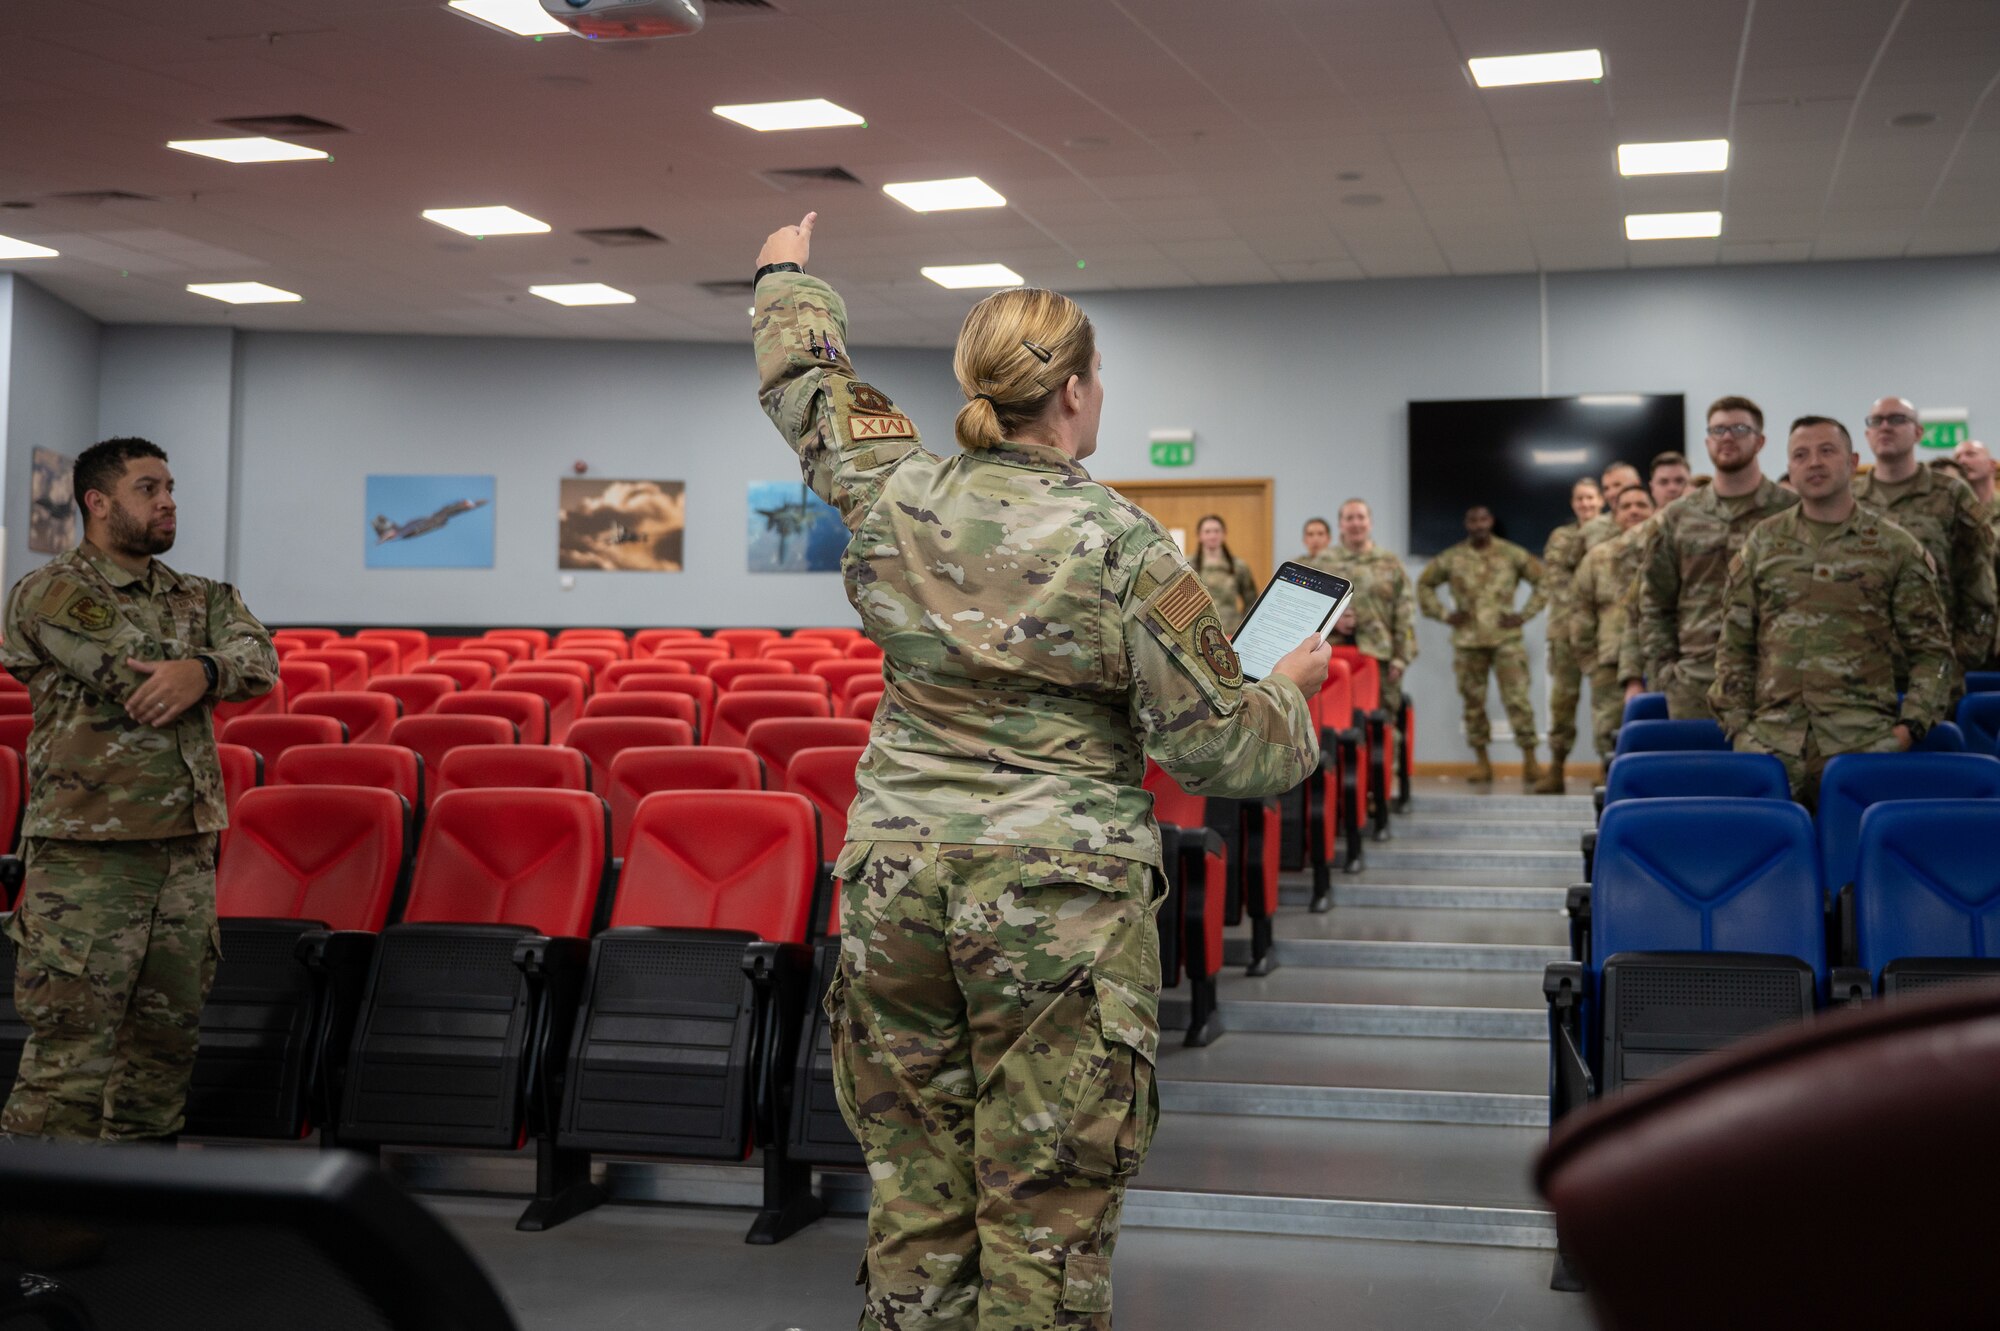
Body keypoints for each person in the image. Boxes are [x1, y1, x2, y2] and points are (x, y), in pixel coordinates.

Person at [750, 212, 1326, 1331]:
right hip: (1053, 903)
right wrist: (1288, 687)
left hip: (896, 888)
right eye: (1096, 375)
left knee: (915, 1197)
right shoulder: (1123, 544)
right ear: (1070, 392)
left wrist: (784, 276)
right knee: (1044, 1213)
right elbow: (1216, 746)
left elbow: (807, 389)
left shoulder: (894, 488)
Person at [0, 437, 277, 1143]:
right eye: (148, 488)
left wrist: (204, 674)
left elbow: (261, 660)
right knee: (72, 1049)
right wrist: (202, 668)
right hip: (88, 855)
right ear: (97, 503)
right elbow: (135, 673)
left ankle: (137, 1204)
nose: (168, 501)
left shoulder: (199, 593)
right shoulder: (52, 590)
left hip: (182, 848)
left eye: (170, 487)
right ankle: (39, 1220)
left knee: (164, 1045)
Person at [1712, 417, 1952, 807]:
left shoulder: (1894, 547)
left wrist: (1907, 730)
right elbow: (1734, 643)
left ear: (1853, 460)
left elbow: (1932, 652)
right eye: (1801, 455)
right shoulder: (1763, 542)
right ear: (1790, 467)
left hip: (1862, 745)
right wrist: (1739, 730)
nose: (1814, 463)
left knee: (1857, 866)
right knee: (1775, 865)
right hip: (1771, 747)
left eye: (1827, 451)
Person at [1637, 395, 1799, 721]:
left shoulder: (1792, 511)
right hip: (1696, 680)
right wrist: (1665, 673)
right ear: (1708, 441)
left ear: (1760, 441)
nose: (1727, 437)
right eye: (1718, 429)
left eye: (1739, 428)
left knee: (1778, 772)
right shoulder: (1678, 517)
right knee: (1700, 772)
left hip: (1779, 677)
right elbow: (1655, 601)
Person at [1853, 397, 1996, 680]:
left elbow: (1979, 586)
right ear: (1867, 434)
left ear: (1918, 432)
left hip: (1935, 669)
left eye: (1896, 419)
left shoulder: (1951, 493)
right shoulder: (1850, 499)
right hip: (1861, 673)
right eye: (1876, 421)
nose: (1885, 426)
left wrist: (1959, 661)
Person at [1417, 506, 1546, 786]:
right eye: (1473, 520)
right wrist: (1445, 614)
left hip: (1506, 641)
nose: (1478, 524)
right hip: (1468, 642)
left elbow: (1543, 582)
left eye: (1483, 519)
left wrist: (1523, 615)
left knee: (1518, 700)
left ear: (1491, 522)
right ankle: (1482, 763)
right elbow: (1424, 585)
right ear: (1467, 524)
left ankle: (1531, 761)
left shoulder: (1512, 554)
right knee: (1473, 704)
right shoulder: (1452, 557)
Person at [1306, 498, 1420, 715]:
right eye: (1349, 518)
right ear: (1340, 524)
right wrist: (1334, 619)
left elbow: (1406, 612)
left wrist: (1401, 657)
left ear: (1370, 523)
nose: (1356, 523)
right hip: (1332, 656)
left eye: (1361, 517)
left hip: (1381, 657)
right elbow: (1309, 607)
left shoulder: (1390, 562)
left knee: (1383, 724)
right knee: (1332, 721)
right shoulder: (1323, 562)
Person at [1571, 484, 1657, 765]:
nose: (1634, 511)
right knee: (1610, 739)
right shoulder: (1597, 558)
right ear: (1615, 514)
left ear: (1654, 510)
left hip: (1662, 661)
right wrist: (1591, 665)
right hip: (1610, 662)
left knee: (1660, 736)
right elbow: (1581, 614)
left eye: (1641, 505)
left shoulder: (1671, 549)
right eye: (1626, 506)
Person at [1535, 478, 1604, 794]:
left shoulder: (1614, 531)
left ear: (1601, 500)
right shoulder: (1561, 537)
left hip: (1604, 633)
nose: (1586, 504)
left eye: (1591, 498)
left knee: (1607, 705)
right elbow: (1557, 577)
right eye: (1580, 499)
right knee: (1562, 702)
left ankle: (1608, 768)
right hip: (1566, 630)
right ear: (1573, 504)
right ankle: (1557, 769)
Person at [1955, 438, 2000, 666]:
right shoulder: (1951, 515)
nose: (1962, 460)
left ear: (1992, 465)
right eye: (1958, 457)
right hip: (1965, 632)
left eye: (1971, 454)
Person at [1192, 514, 1258, 634]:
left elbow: (1251, 602)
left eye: (1217, 531)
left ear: (1224, 534)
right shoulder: (1188, 566)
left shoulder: (1239, 566)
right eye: (1207, 531)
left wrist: (1243, 628)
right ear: (1200, 536)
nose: (1212, 536)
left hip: (1230, 631)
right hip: (1197, 631)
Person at [1578, 461, 1642, 552]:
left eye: (1617, 485)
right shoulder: (1591, 529)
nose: (1611, 494)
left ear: (1636, 484)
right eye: (1606, 488)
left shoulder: (1656, 520)